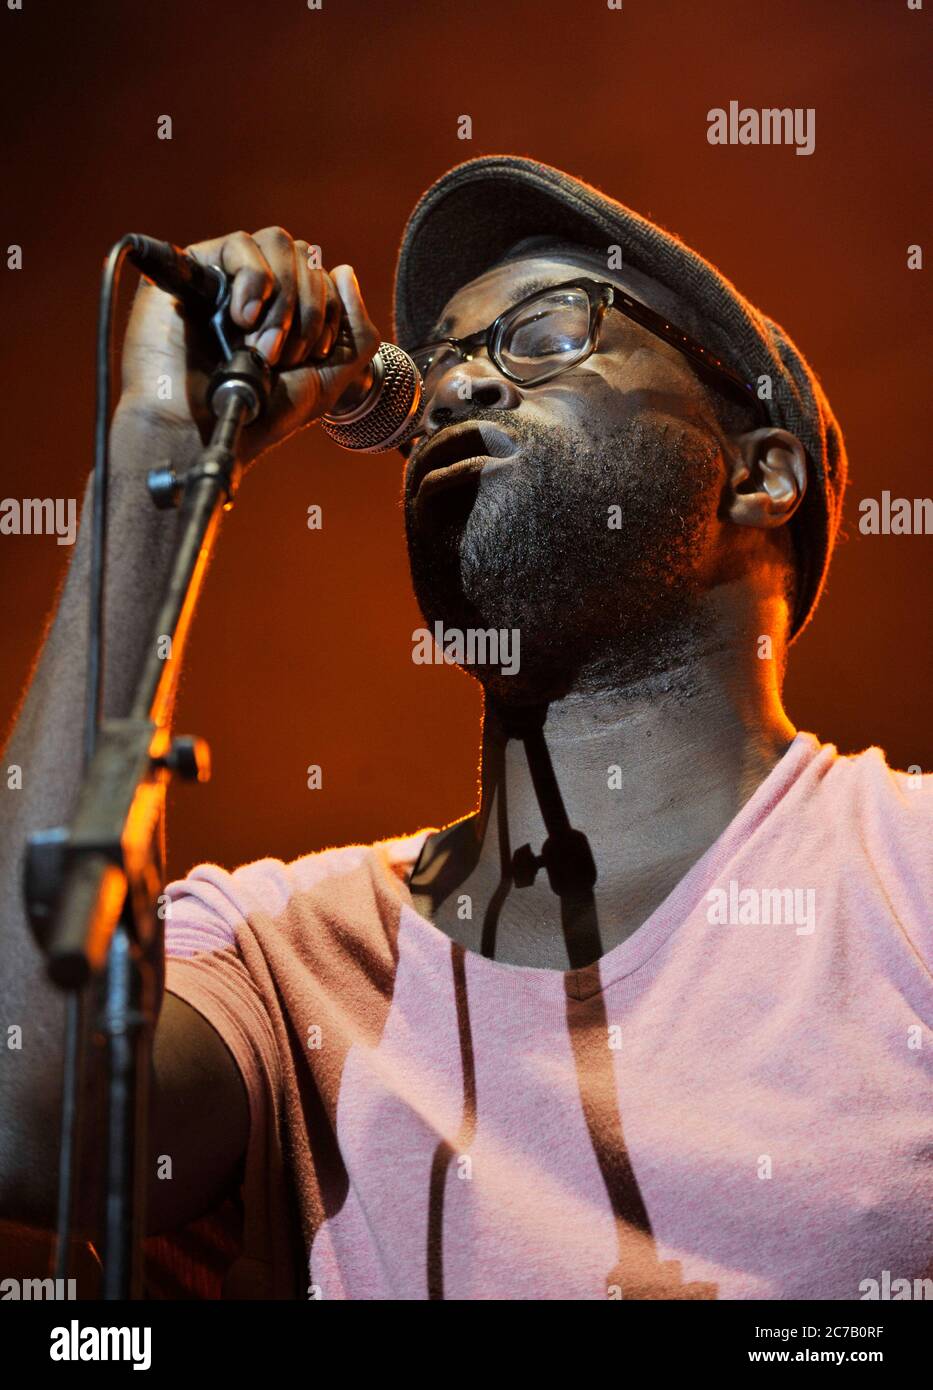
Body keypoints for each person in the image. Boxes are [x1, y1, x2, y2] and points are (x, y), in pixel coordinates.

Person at [1, 156, 930, 1301]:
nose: (455, 391)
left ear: (762, 474)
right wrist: (153, 444)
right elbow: (27, 1118)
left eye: (546, 334)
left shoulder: (912, 873)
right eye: (439, 360)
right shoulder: (287, 950)